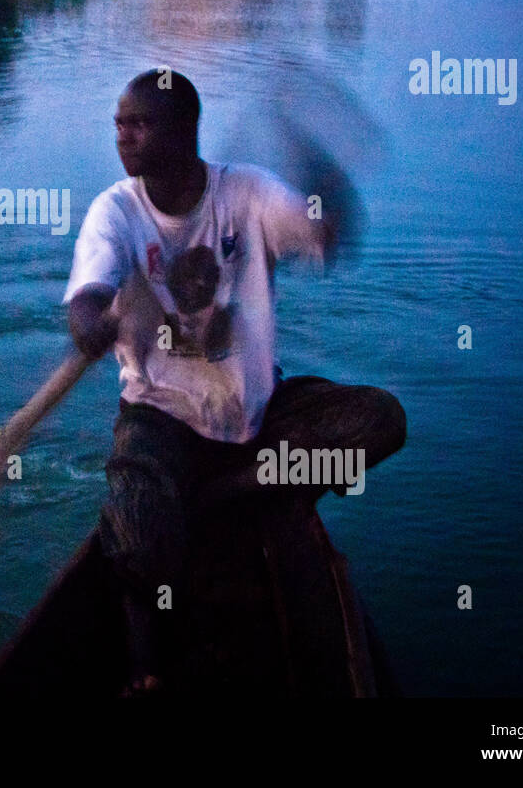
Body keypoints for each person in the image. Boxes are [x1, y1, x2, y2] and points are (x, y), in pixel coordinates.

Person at [64, 68, 405, 697]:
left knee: (379, 419)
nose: (123, 135)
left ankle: (222, 490)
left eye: (139, 123)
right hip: (160, 413)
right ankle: (146, 671)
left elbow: (327, 236)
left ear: (186, 131)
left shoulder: (246, 193)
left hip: (256, 412)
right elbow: (84, 304)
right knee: (137, 539)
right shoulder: (115, 211)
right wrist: (100, 319)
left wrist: (323, 182)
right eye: (119, 123)